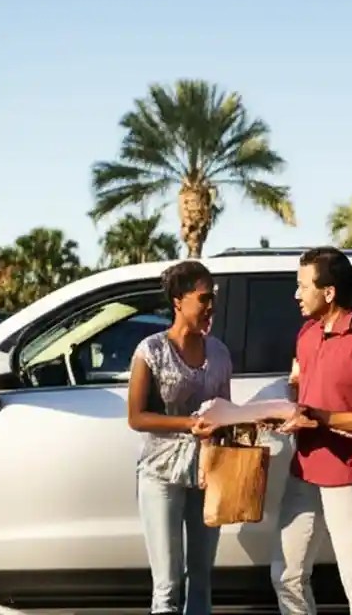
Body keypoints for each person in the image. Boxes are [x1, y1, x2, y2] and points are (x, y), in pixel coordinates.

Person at [272, 246, 352, 615]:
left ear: (329, 292)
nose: (296, 295)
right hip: (304, 470)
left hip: (349, 475)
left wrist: (323, 417)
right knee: (287, 576)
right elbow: (307, 395)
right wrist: (285, 410)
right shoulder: (307, 335)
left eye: (302, 286)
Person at [126, 260, 233, 615]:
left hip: (207, 473)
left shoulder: (219, 352)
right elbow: (136, 417)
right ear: (178, 300)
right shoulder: (151, 350)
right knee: (168, 585)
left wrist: (248, 421)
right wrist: (190, 424)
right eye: (203, 298)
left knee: (201, 579)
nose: (210, 306)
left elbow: (225, 410)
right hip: (161, 474)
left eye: (212, 297)